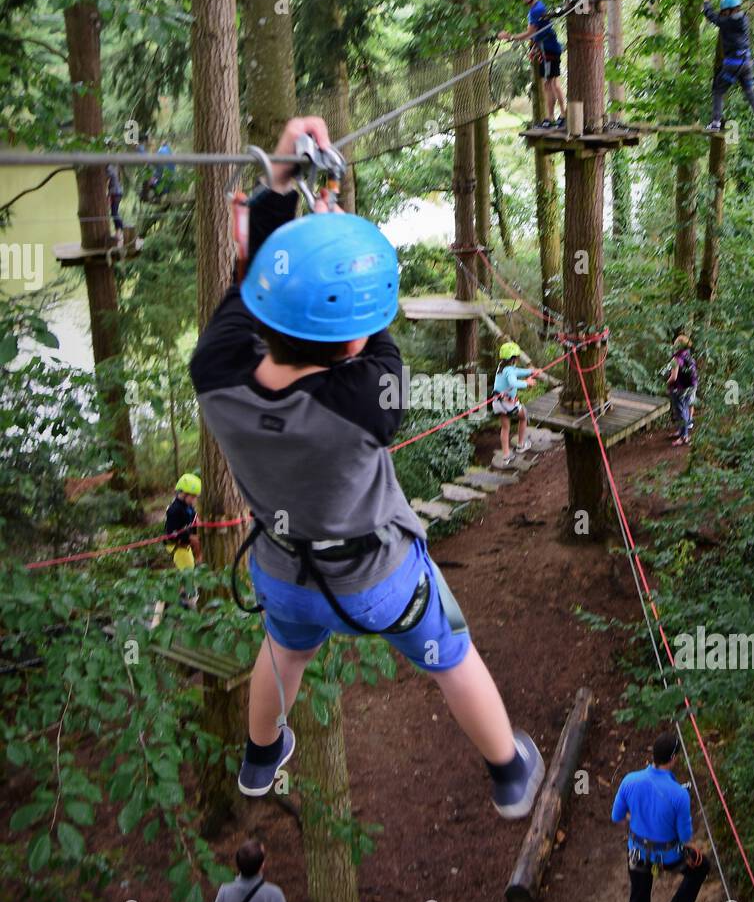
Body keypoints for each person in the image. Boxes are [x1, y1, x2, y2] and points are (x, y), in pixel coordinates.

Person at [188, 115, 544, 819]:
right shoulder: (362, 403)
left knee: (284, 654)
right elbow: (364, 328)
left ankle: (260, 758)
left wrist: (287, 193)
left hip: (286, 573)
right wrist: (336, 238)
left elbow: (255, 284)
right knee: (450, 654)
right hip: (379, 578)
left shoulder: (217, 372)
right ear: (353, 337)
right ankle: (508, 770)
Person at [611, 731, 710, 902]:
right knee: (701, 866)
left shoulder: (630, 780)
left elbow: (616, 816)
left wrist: (638, 820)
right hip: (669, 856)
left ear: (653, 756)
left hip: (637, 853)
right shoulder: (679, 794)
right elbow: (685, 835)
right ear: (674, 757)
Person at [497, 0, 566, 129]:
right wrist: (534, 48)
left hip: (548, 49)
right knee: (550, 83)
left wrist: (510, 37)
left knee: (551, 83)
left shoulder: (536, 10)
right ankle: (555, 116)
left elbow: (530, 33)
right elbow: (536, 34)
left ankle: (558, 116)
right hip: (546, 48)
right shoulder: (536, 8)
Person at [703, 0, 754, 133]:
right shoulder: (744, 18)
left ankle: (715, 123)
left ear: (727, 11)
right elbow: (731, 9)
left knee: (718, 90)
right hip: (747, 63)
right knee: (749, 91)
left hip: (732, 65)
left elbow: (710, 15)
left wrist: (706, 1)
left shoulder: (725, 22)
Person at [492, 342, 535, 464]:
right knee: (524, 416)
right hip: (508, 403)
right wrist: (527, 383)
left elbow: (517, 372)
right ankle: (521, 445)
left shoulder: (501, 368)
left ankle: (506, 455)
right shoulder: (509, 371)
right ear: (513, 358)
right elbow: (513, 382)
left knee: (505, 427)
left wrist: (530, 372)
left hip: (498, 403)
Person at [164, 473, 202, 608]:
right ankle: (184, 600)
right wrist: (189, 538)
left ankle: (185, 592)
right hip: (177, 546)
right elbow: (171, 533)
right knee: (188, 570)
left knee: (191, 567)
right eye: (193, 497)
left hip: (187, 543)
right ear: (183, 493)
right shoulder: (174, 510)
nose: (194, 500)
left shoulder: (188, 507)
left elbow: (193, 521)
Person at [667, 333, 698, 447]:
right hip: (691, 385)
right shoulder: (687, 355)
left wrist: (666, 383)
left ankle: (684, 437)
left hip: (680, 388)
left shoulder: (676, 358)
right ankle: (682, 432)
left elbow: (674, 377)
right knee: (685, 409)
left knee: (681, 411)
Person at [106, 164, 125, 243]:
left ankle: (124, 228)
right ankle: (118, 234)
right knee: (114, 213)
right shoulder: (114, 166)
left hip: (115, 193)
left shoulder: (109, 167)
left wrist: (108, 195)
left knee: (114, 213)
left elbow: (107, 180)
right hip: (118, 193)